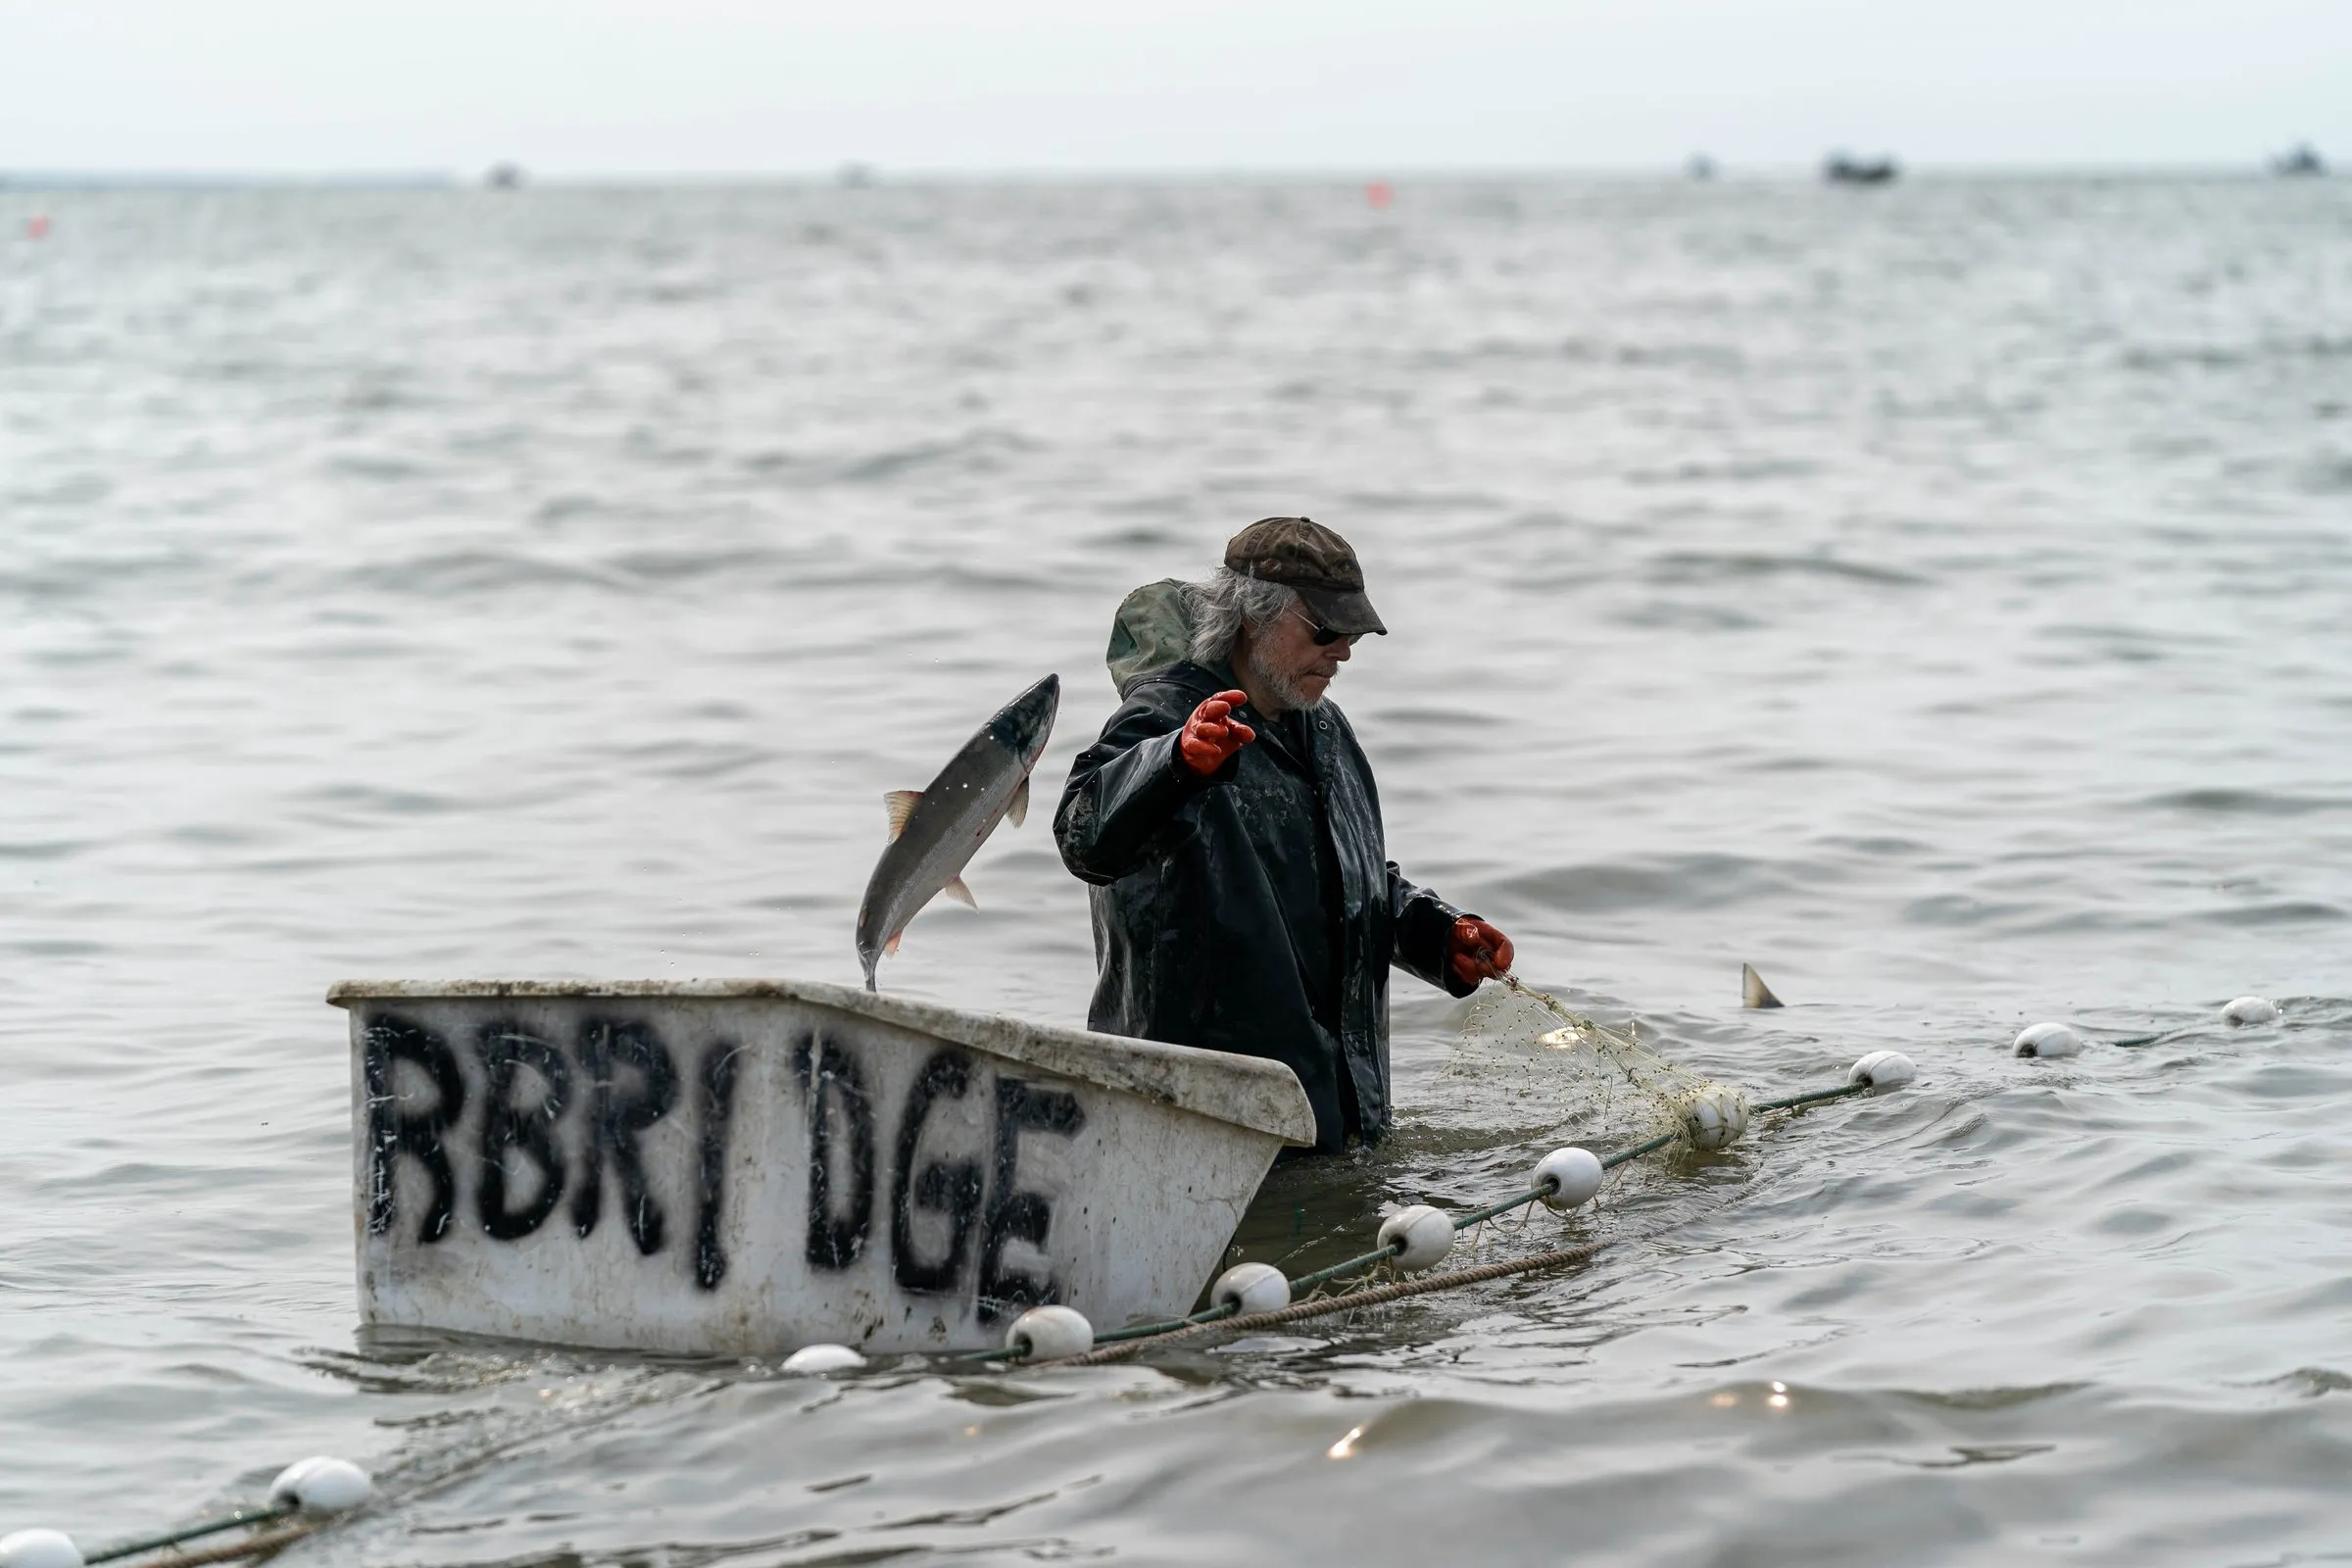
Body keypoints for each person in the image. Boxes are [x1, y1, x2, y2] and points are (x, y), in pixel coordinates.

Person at [1054, 517, 1516, 1153]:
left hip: (1332, 1124)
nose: (1343, 652)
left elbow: (1347, 881)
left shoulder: (1327, 731)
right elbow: (1082, 836)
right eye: (1326, 631)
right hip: (1194, 1122)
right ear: (1252, 616)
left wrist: (1435, 935)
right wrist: (1177, 763)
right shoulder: (1165, 717)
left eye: (1353, 634)